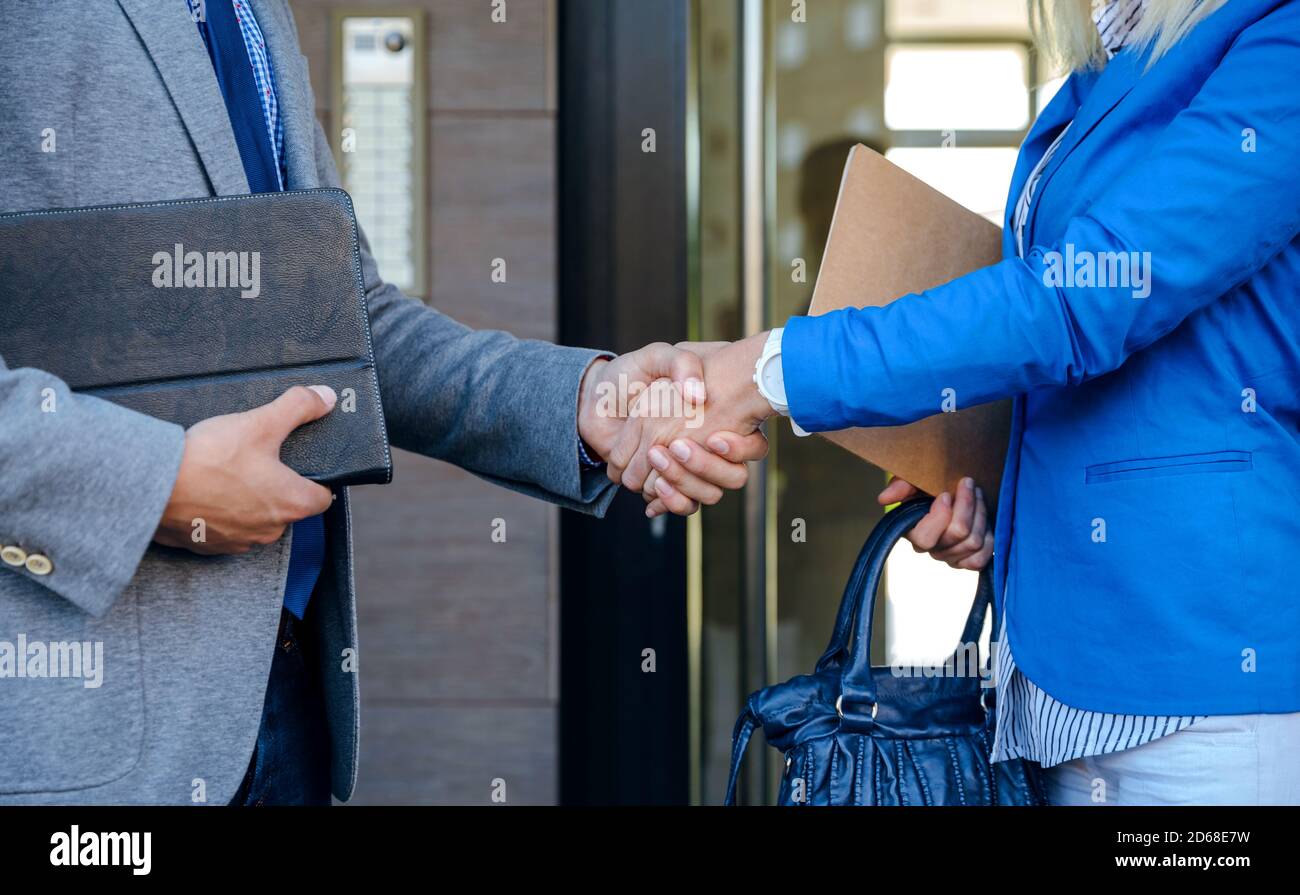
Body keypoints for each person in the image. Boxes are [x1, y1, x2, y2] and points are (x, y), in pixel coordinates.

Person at [0, 0, 758, 805]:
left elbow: (348, 323)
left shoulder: (256, 12)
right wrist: (162, 483)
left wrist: (585, 400)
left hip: (288, 701)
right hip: (89, 738)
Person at [620, 0, 1300, 805]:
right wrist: (993, 490)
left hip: (1199, 688)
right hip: (1058, 693)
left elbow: (1080, 300)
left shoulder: (1277, 39)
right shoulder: (1108, 59)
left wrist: (771, 369)